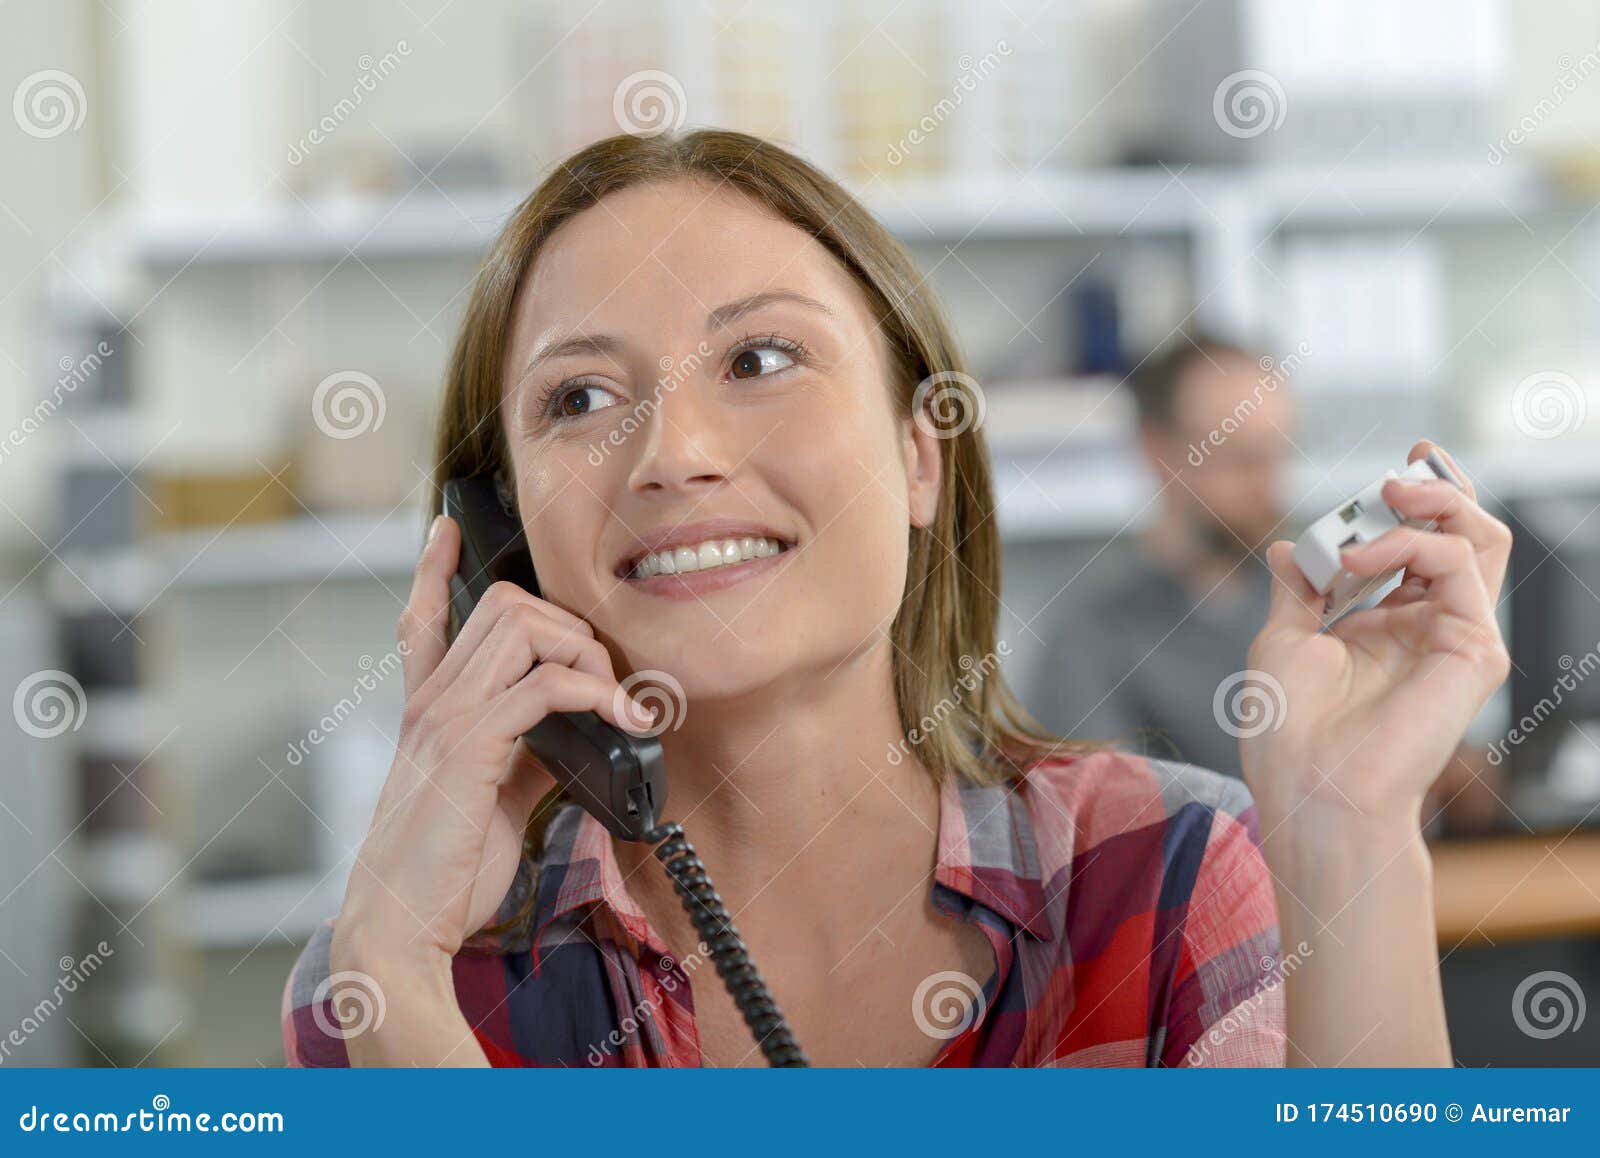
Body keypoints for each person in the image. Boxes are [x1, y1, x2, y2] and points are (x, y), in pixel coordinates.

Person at [281, 129, 1512, 1067]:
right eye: (580, 400)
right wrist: (394, 978)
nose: (676, 453)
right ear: (496, 534)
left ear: (922, 453)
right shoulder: (401, 981)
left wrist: (1349, 831)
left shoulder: (1159, 870)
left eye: (760, 359)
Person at [1033, 335, 1294, 779]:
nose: (1263, 485)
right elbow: (1114, 824)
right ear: (1158, 453)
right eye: (1238, 457)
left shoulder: (1321, 604)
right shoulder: (1091, 636)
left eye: (1275, 455)